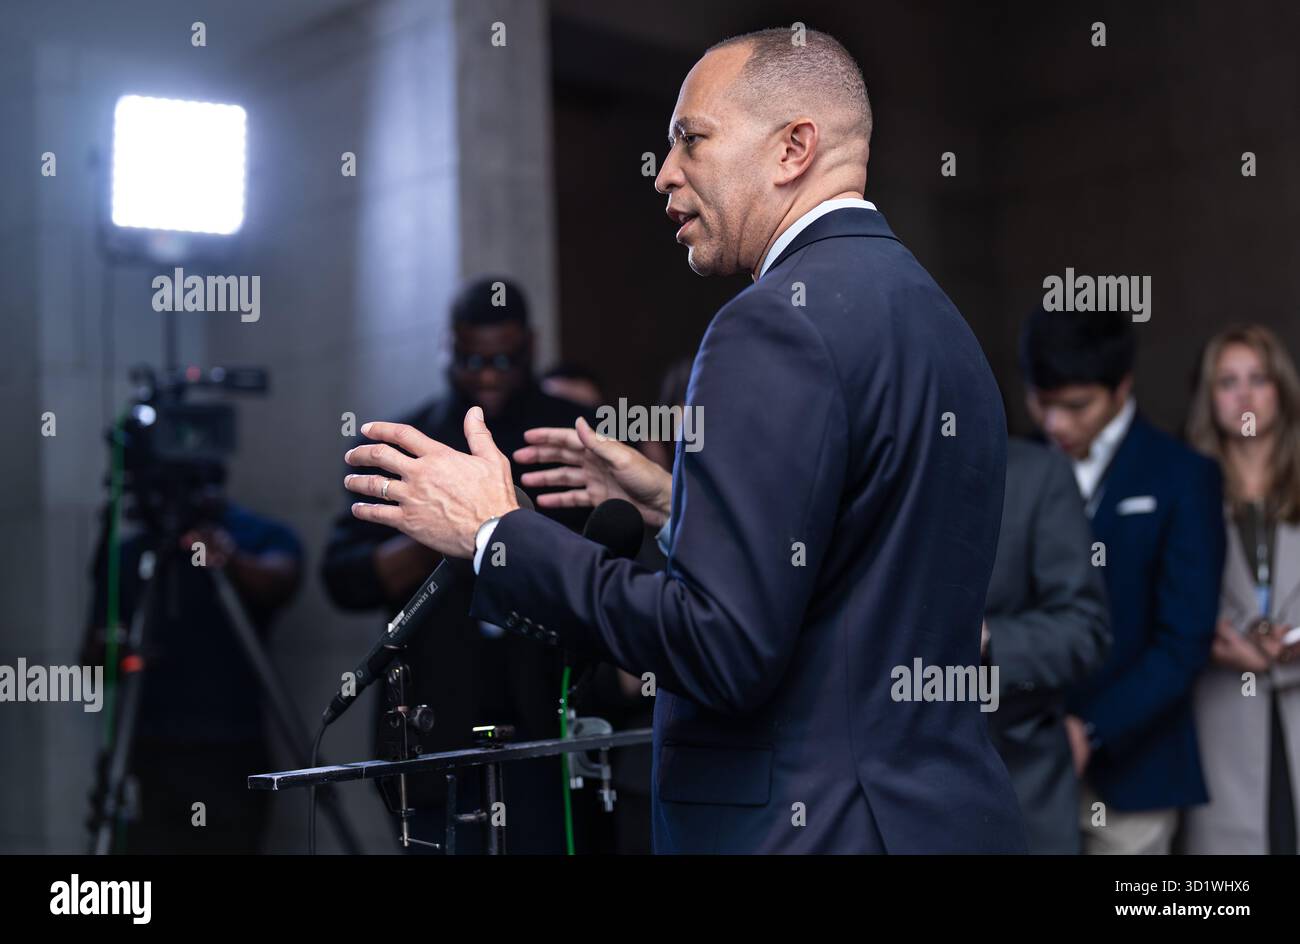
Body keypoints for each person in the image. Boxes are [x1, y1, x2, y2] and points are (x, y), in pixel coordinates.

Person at [339, 28, 1025, 853]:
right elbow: (860, 565)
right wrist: (677, 507)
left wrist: (495, 533)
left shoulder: (770, 326)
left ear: (793, 148)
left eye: (690, 139)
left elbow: (722, 647)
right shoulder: (943, 325)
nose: (664, 172)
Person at [320, 277, 593, 853]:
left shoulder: (569, 429)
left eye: (504, 359)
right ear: (448, 345)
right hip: (435, 732)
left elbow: (612, 559)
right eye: (471, 359)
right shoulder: (412, 441)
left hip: (551, 729)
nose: (488, 374)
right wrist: (444, 526)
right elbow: (342, 578)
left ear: (531, 347)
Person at [1019, 303, 1225, 854]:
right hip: (1022, 770)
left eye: (1076, 406)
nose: (1056, 424)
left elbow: (1183, 642)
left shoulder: (1183, 477)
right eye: (1043, 403)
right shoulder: (1009, 467)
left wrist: (1090, 730)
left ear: (1122, 386)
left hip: (1138, 771)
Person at [84, 499, 302, 854]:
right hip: (149, 752)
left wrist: (228, 559)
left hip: (232, 752)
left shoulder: (255, 536)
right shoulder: (128, 553)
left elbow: (282, 582)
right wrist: (122, 647)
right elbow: (93, 662)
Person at [1183, 325, 1300, 854]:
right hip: (1222, 714)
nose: (1245, 395)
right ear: (1210, 398)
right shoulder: (1184, 488)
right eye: (1228, 382)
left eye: (1258, 378)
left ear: (1283, 389)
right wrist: (1209, 637)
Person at [983, 438, 1111, 853]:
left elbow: (1085, 631)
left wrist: (988, 639)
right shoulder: (843, 466)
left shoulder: (1037, 474)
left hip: (1015, 771)